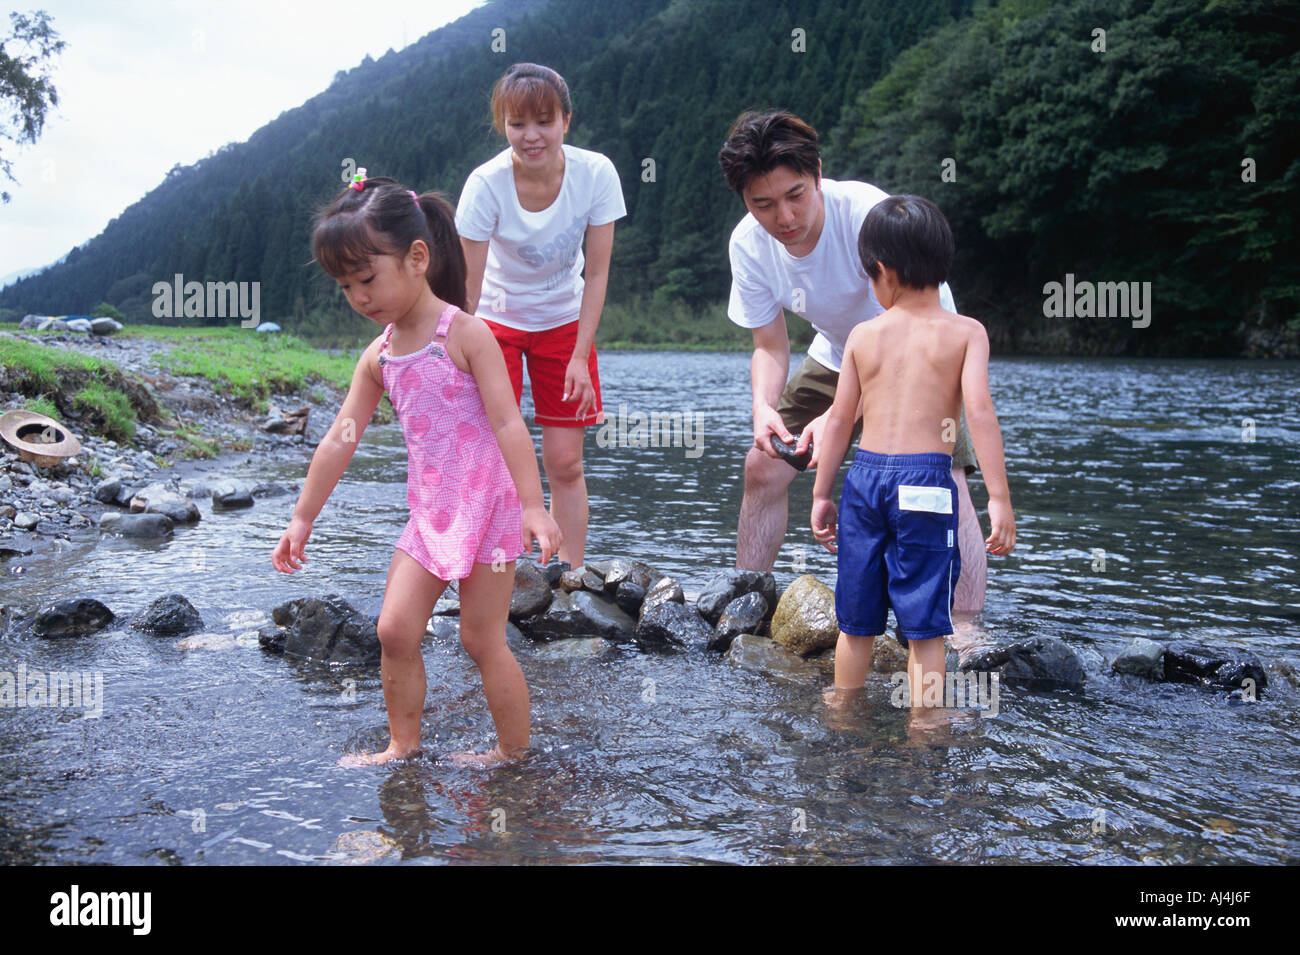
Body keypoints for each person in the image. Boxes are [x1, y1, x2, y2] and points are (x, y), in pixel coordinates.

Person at [271, 170, 561, 768]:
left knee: (481, 639)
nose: (358, 296)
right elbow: (338, 440)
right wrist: (303, 518)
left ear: (416, 257)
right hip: (430, 514)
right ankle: (403, 746)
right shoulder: (378, 357)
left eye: (366, 277)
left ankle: (513, 755)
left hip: (490, 509)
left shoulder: (466, 335)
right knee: (394, 631)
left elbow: (510, 424)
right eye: (345, 286)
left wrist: (535, 506)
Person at [717, 110, 988, 622]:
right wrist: (762, 408)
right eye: (764, 204)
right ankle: (746, 603)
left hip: (924, 349)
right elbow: (770, 345)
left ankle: (966, 627)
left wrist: (838, 415)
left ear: (817, 174)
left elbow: (900, 342)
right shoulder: (748, 246)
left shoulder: (867, 217)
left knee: (942, 478)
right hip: (841, 350)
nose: (786, 218)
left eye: (796, 194)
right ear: (745, 201)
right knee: (764, 464)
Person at [811, 194, 1015, 705]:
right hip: (926, 484)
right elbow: (981, 414)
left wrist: (820, 493)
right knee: (926, 626)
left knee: (856, 620)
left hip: (865, 477)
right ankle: (926, 729)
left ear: (883, 271)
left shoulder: (862, 336)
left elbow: (839, 420)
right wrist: (998, 499)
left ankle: (843, 712)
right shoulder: (967, 332)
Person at [457, 62, 626, 568]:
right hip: (494, 323)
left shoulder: (596, 173)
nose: (531, 136)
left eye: (544, 121)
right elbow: (467, 289)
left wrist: (580, 356)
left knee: (565, 463)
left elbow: (595, 276)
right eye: (517, 124)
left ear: (566, 121)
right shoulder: (484, 185)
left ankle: (570, 576)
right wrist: (454, 352)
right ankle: (500, 572)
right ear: (503, 125)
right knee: (497, 461)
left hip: (565, 323)